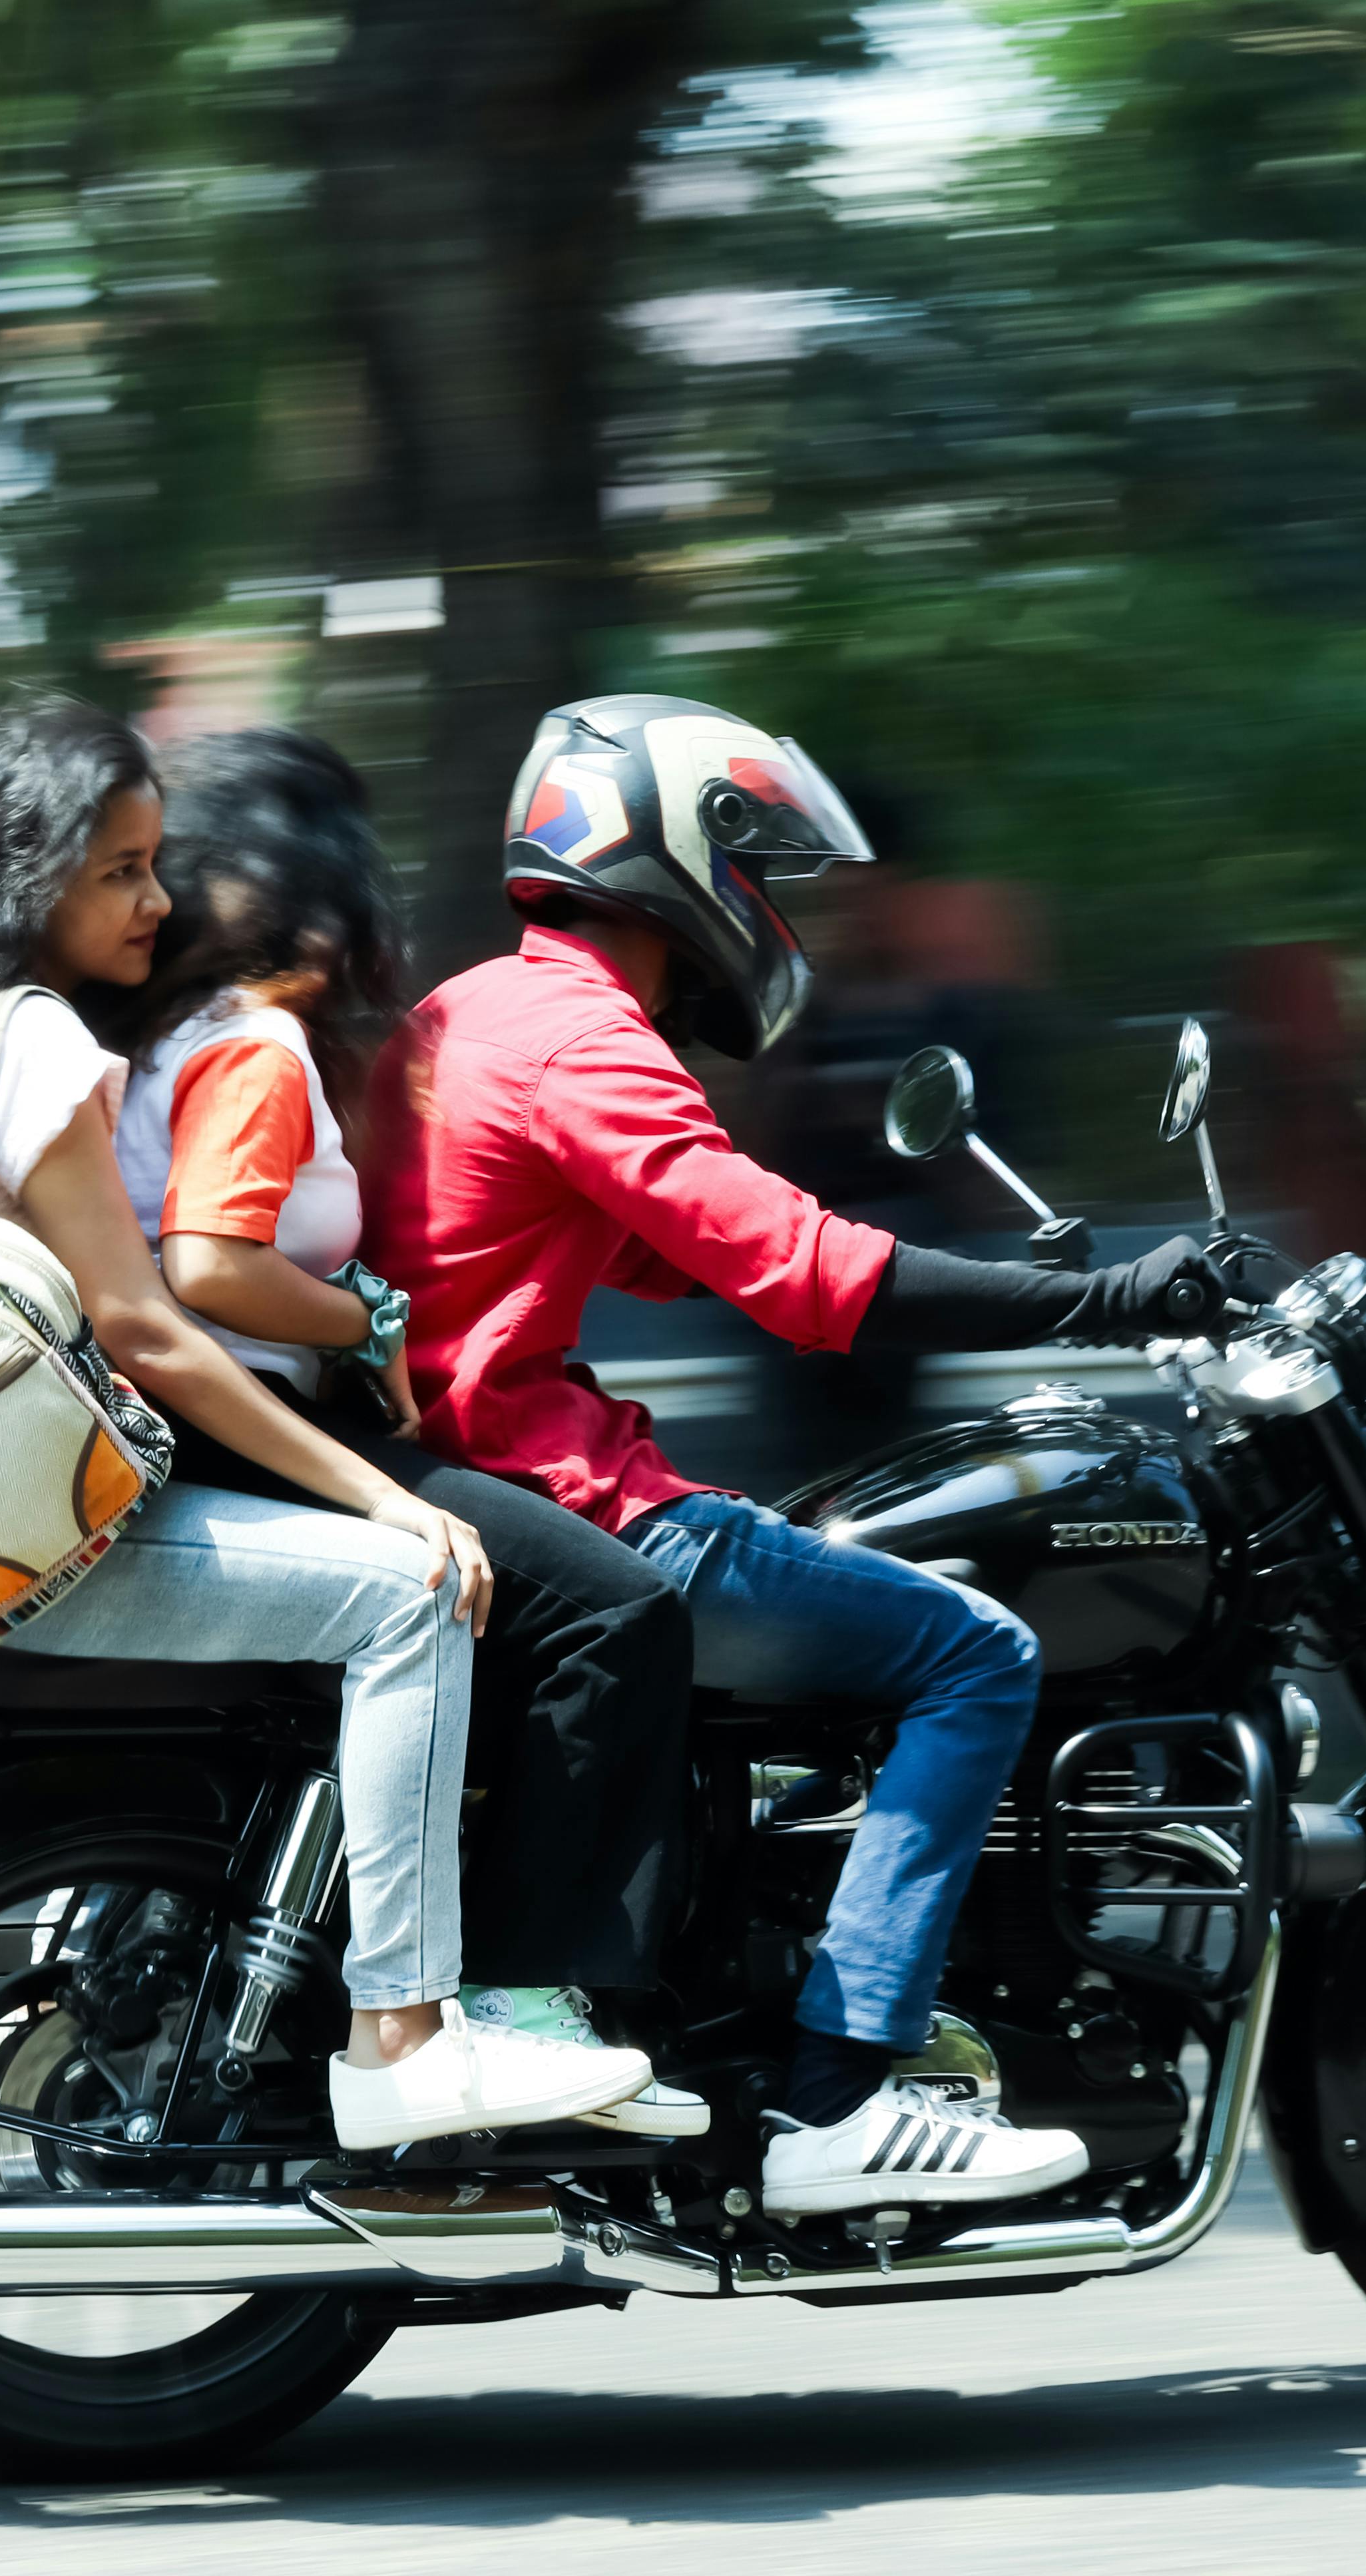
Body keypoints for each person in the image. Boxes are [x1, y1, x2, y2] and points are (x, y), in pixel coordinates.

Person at [362, 691, 1212, 2216]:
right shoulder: (583, 1036)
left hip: (465, 1471)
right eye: (756, 873)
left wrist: (823, 1228)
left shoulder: (475, 1008)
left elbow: (683, 1247)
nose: (764, 915)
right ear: (678, 860)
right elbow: (812, 1284)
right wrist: (1104, 1293)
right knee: (977, 1652)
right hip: (560, 1485)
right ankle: (839, 2097)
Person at [0, 698, 648, 2152]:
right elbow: (149, 1324)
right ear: (29, 872)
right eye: (120, 868)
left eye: (155, 863)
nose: (160, 901)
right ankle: (405, 2034)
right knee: (417, 1592)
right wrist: (385, 1499)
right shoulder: (40, 1045)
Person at [86, 726, 704, 2138]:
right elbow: (212, 1267)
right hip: (245, 1429)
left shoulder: (162, 1046)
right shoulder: (252, 1049)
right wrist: (364, 1317)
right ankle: (530, 2001)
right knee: (620, 1611)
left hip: (195, 1430)